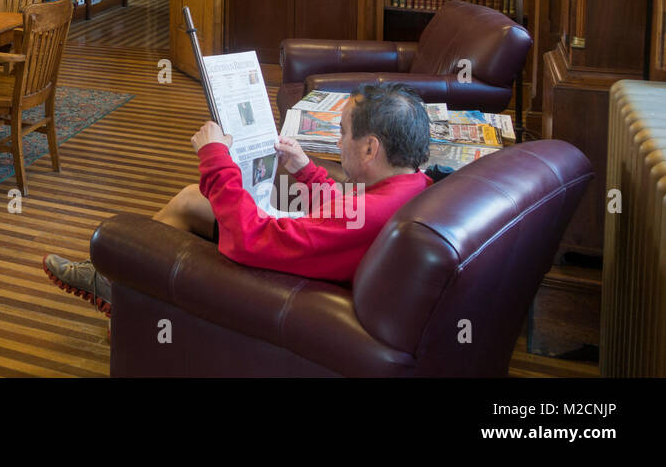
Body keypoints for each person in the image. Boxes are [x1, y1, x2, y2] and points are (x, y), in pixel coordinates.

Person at [43, 81, 434, 316]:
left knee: (199, 197)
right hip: (309, 256)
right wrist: (305, 169)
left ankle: (115, 286)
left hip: (280, 284)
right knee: (189, 199)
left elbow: (251, 238)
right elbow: (341, 213)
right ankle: (116, 287)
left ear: (370, 149)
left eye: (343, 132)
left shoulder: (366, 211)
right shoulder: (411, 185)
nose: (337, 140)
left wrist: (215, 157)